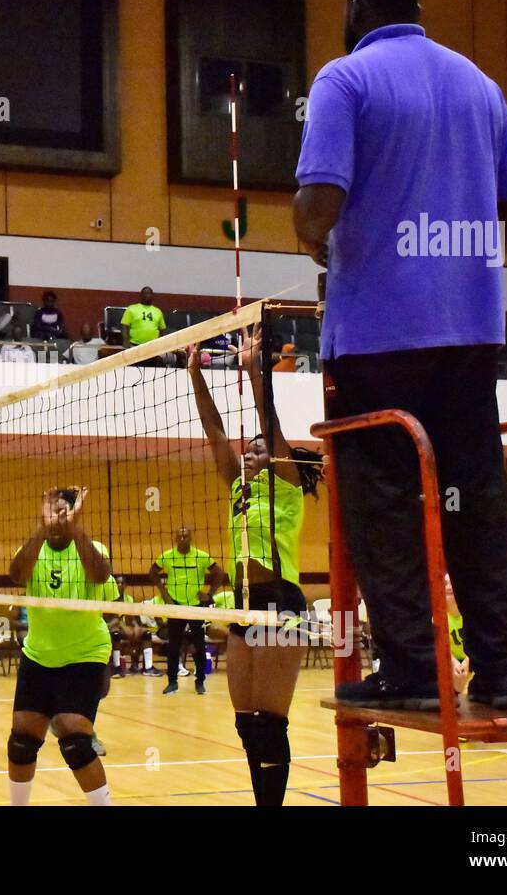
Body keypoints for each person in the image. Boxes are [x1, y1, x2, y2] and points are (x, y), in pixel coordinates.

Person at [294, 0, 507, 710]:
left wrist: (315, 240)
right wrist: (475, 256)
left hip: (378, 339)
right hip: (470, 334)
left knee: (384, 505)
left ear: (356, 5)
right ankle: (505, 671)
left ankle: (415, 672)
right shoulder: (479, 84)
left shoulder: (345, 80)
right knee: (473, 497)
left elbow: (319, 199)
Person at [189, 328, 324, 806]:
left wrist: (253, 369)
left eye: (260, 450)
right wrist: (195, 377)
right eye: (250, 450)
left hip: (280, 604)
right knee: (246, 723)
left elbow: (272, 423)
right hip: (245, 606)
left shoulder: (285, 486)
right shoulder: (237, 487)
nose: (250, 453)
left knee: (269, 723)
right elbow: (215, 431)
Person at [6, 487, 115, 805]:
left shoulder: (92, 548)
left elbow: (100, 574)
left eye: (64, 510)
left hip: (84, 655)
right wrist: (43, 528)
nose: (57, 516)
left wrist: (75, 527)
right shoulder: (32, 549)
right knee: (22, 740)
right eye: (51, 509)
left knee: (74, 738)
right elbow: (16, 575)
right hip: (39, 654)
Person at [150, 526, 224, 695]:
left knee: (199, 645)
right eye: (180, 536)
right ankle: (172, 682)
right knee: (174, 646)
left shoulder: (201, 556)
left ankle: (200, 682)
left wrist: (210, 594)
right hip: (176, 606)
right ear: (176, 539)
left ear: (191, 538)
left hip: (195, 606)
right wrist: (164, 594)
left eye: (185, 536)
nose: (182, 539)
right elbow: (152, 572)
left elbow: (219, 572)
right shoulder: (167, 556)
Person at [444, 574, 472, 696]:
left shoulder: (471, 613)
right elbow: (438, 644)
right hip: (451, 658)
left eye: (452, 583)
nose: (449, 587)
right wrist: (453, 661)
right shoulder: (438, 616)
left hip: (471, 657)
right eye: (445, 584)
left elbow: (480, 643)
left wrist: (468, 661)